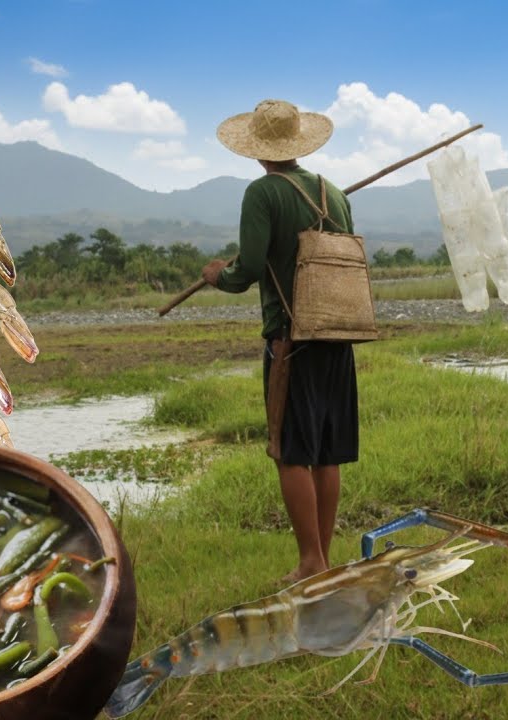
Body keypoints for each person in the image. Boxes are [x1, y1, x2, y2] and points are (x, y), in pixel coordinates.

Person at [200, 99, 358, 582]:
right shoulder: (333, 193)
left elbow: (247, 269)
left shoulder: (263, 193)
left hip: (292, 340)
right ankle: (321, 559)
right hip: (337, 334)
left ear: (257, 149)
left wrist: (216, 277)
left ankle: (311, 562)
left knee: (291, 450)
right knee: (326, 452)